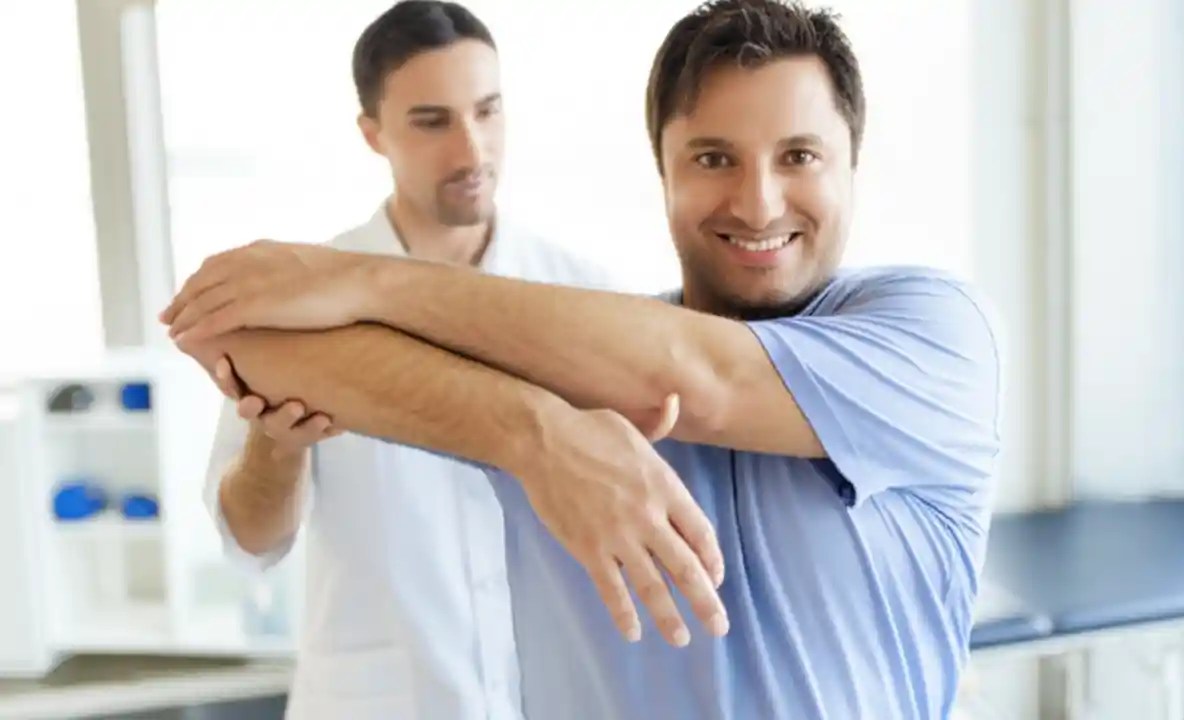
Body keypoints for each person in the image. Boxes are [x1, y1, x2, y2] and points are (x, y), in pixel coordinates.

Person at [166, 0, 1004, 718]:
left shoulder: (931, 334)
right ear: (664, 172)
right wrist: (534, 433)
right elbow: (250, 342)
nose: (757, 201)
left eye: (799, 155)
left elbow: (698, 376)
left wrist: (356, 282)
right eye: (713, 158)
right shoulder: (570, 349)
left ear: (853, 160)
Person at [199, 2, 612, 718]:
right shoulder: (299, 303)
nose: (472, 150)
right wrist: (275, 447)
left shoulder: (583, 295)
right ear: (372, 134)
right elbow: (250, 542)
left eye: (488, 112)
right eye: (432, 122)